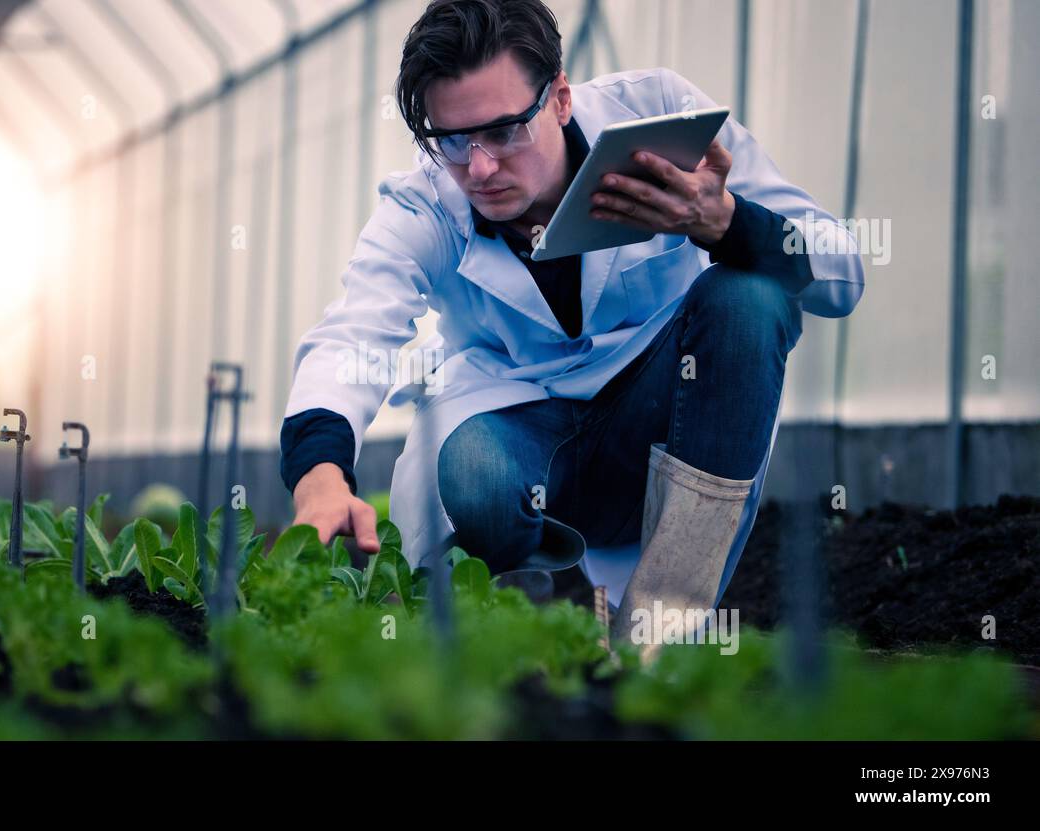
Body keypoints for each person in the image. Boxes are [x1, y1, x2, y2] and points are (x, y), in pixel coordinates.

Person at [278, 0, 864, 651]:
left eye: (504, 131)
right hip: (521, 430)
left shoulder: (658, 120)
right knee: (475, 476)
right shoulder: (428, 206)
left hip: (660, 416)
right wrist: (322, 474)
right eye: (452, 140)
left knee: (752, 299)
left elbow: (841, 274)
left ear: (559, 97)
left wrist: (728, 223)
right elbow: (352, 334)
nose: (479, 170)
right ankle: (514, 620)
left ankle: (657, 634)